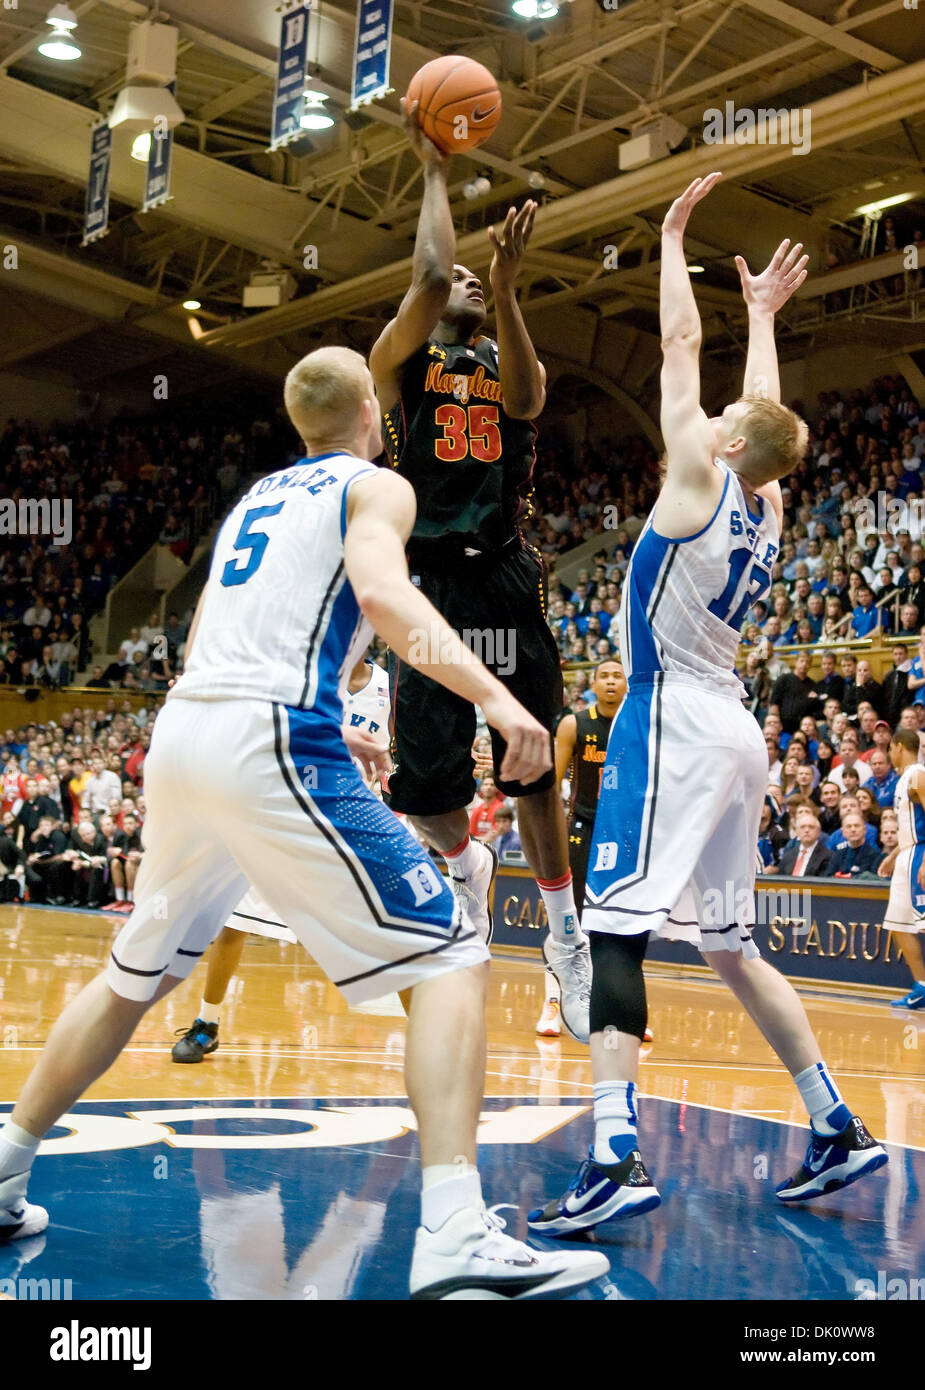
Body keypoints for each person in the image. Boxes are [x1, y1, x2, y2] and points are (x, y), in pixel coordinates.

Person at [0, 345, 608, 1300]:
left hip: (188, 736)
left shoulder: (257, 498)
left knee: (134, 975)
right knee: (452, 951)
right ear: (373, 407)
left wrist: (323, 732)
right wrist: (498, 698)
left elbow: (208, 641)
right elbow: (383, 598)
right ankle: (453, 1231)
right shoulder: (378, 487)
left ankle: (4, 1165)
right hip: (270, 739)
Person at [528, 176, 886, 1237]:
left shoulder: (698, 476)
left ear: (724, 447)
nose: (713, 414)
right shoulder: (766, 502)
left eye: (725, 422)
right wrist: (766, 319)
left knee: (613, 930)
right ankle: (833, 1121)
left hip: (671, 713)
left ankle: (616, 1150)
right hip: (735, 726)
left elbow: (680, 352)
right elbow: (762, 420)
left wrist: (671, 237)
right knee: (732, 944)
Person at [370, 98, 589, 1042]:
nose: (458, 278)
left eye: (470, 275)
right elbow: (424, 273)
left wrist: (505, 282)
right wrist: (432, 167)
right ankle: (467, 870)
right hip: (425, 586)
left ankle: (563, 932)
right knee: (430, 798)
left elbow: (534, 397)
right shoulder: (398, 364)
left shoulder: (499, 354)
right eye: (454, 277)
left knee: (532, 760)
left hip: (501, 571)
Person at [169, 656, 394, 1064]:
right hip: (290, 808)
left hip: (353, 814)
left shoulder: (387, 683)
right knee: (235, 923)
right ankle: (207, 1022)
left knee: (399, 928)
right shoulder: (305, 672)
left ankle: (430, 1038)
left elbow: (392, 749)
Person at [536, 659, 627, 1037]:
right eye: (603, 676)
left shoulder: (636, 726)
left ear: (626, 684)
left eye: (616, 676)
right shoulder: (575, 723)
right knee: (566, 920)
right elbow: (552, 782)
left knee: (618, 923)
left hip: (622, 833)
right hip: (583, 827)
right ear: (593, 683)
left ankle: (616, 1007)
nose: (610, 682)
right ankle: (553, 1004)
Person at [879, 727, 925, 1010]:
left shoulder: (918, 774)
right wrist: (894, 854)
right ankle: (921, 985)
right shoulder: (904, 779)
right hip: (908, 854)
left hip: (920, 854)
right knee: (897, 922)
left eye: (889, 748)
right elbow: (912, 825)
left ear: (897, 746)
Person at [778, 807, 834, 877]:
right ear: (797, 832)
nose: (807, 830)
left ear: (819, 832)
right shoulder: (788, 855)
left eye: (811, 827)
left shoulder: (828, 856)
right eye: (802, 827)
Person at [827, 811, 884, 878]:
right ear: (843, 832)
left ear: (864, 830)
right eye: (849, 826)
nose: (853, 829)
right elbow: (828, 878)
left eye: (857, 826)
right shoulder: (837, 855)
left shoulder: (876, 856)